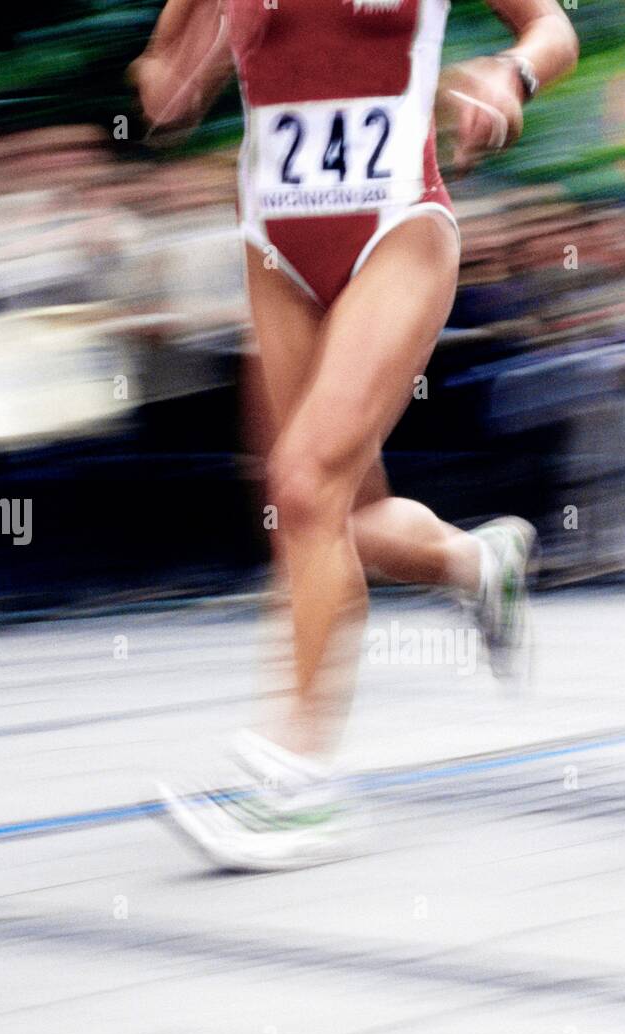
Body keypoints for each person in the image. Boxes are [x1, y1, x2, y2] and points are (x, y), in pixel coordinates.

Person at [131, 0, 579, 866]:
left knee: (305, 487)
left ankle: (300, 781)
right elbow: (169, 65)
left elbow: (552, 26)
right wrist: (166, 77)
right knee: (318, 514)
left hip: (398, 228)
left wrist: (509, 73)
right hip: (275, 245)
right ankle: (475, 564)